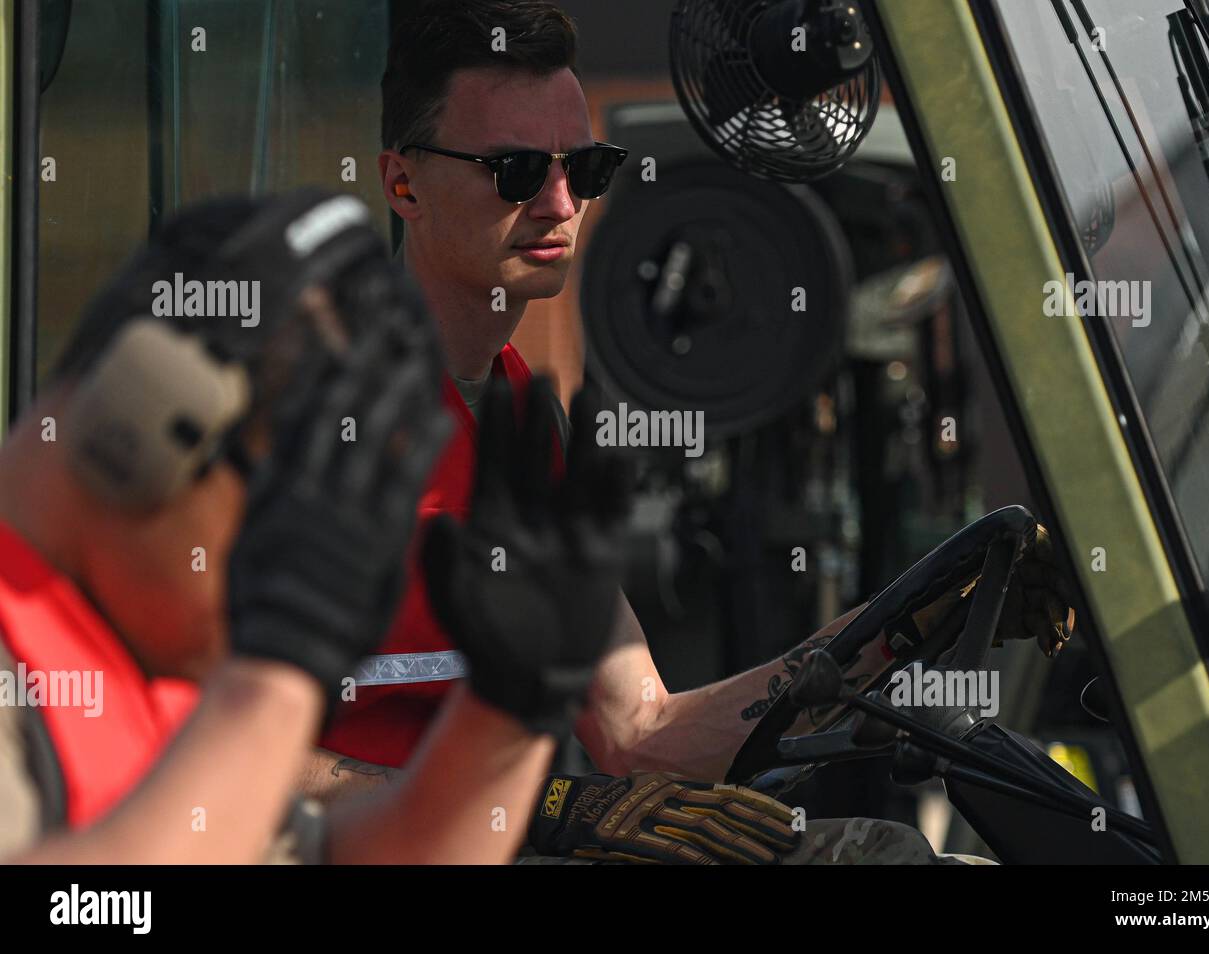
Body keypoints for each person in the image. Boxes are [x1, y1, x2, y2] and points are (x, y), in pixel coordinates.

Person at [307, 0, 1077, 864]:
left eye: (586, 167)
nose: (561, 202)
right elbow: (188, 740)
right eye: (517, 170)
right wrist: (549, 811)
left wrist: (911, 627)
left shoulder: (525, 420)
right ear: (403, 183)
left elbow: (642, 737)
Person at [0, 188, 626, 864]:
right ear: (147, 420)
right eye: (297, 513)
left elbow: (355, 859)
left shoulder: (142, 682)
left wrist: (505, 712)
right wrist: (276, 676)